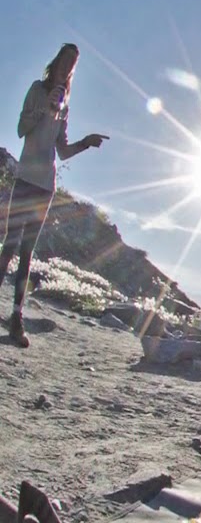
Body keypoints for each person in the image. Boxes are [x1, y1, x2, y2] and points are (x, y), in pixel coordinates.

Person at [2, 43, 108, 347]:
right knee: (8, 246)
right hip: (25, 179)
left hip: (45, 187)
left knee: (26, 253)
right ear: (56, 62)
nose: (67, 68)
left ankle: (16, 319)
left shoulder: (66, 106)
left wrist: (85, 143)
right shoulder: (38, 90)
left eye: (73, 64)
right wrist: (43, 109)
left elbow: (61, 151)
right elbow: (22, 128)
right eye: (65, 61)